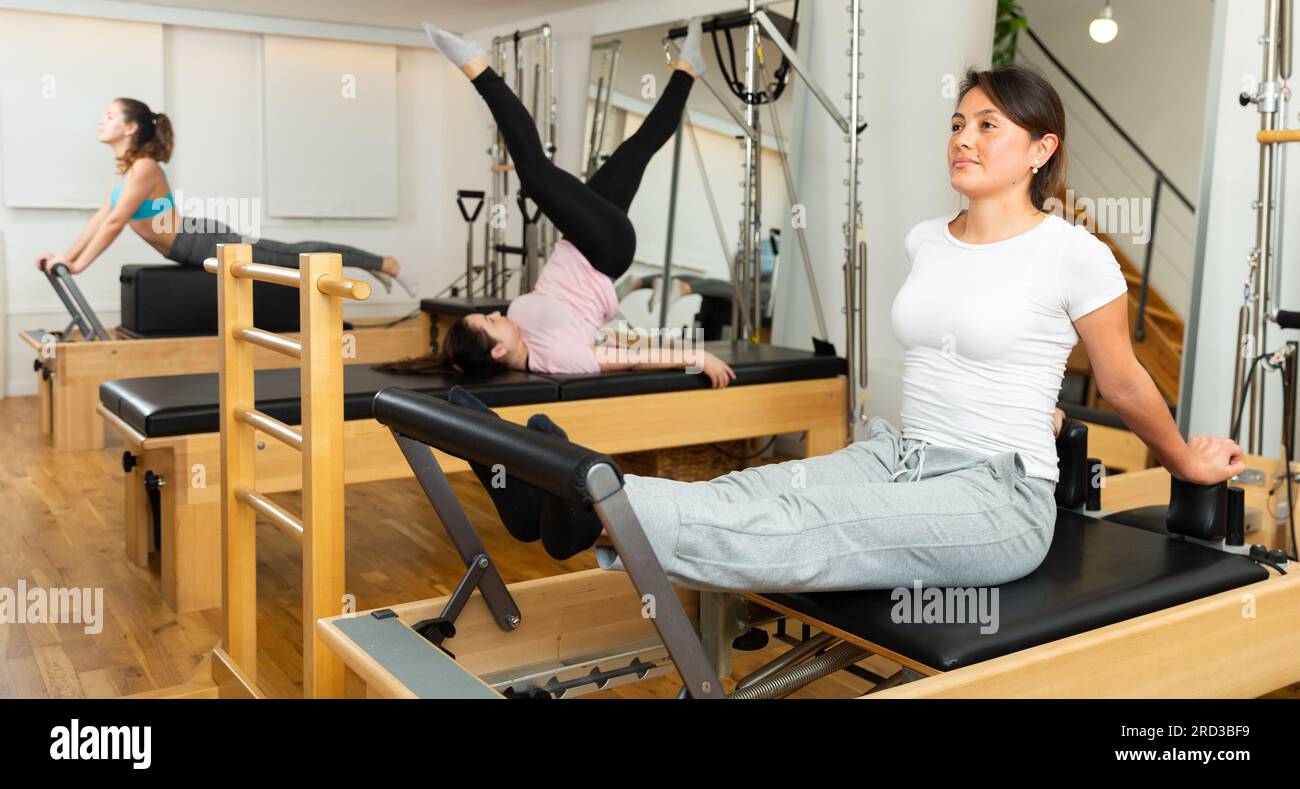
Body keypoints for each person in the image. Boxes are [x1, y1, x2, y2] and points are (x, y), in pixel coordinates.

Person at [448, 62, 1247, 594]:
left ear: (1042, 148)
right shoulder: (928, 238)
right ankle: (569, 497)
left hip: (999, 496)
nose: (963, 138)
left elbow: (1124, 381)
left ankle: (580, 493)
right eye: (958, 122)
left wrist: (1185, 459)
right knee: (753, 489)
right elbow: (970, 348)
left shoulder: (1076, 251)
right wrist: (1029, 397)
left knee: (808, 526)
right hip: (900, 453)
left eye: (989, 126)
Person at [415, 18, 736, 387]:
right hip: (604, 252)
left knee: (635, 150)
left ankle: (688, 71)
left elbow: (608, 338)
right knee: (535, 175)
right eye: (489, 322)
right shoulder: (556, 359)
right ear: (498, 351)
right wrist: (693, 356)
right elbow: (627, 359)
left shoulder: (520, 328)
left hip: (579, 241)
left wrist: (638, 338)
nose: (493, 313)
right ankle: (478, 70)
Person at [36, 97, 419, 297]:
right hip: (188, 243)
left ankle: (385, 263)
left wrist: (79, 265)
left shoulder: (145, 167)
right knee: (292, 256)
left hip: (201, 241)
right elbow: (102, 217)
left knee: (293, 257)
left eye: (110, 116)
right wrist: (68, 257)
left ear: (131, 127)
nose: (102, 121)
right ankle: (371, 263)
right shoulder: (123, 171)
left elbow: (117, 223)